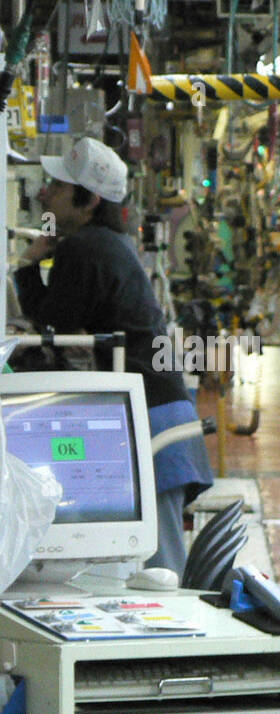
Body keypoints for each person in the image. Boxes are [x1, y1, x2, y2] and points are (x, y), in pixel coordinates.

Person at [13, 136, 212, 575]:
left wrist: (27, 265)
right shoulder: (107, 245)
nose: (46, 193)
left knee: (160, 574)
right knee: (152, 566)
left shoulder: (83, 250)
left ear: (88, 200)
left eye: (58, 187)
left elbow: (51, 324)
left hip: (153, 424)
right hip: (165, 414)